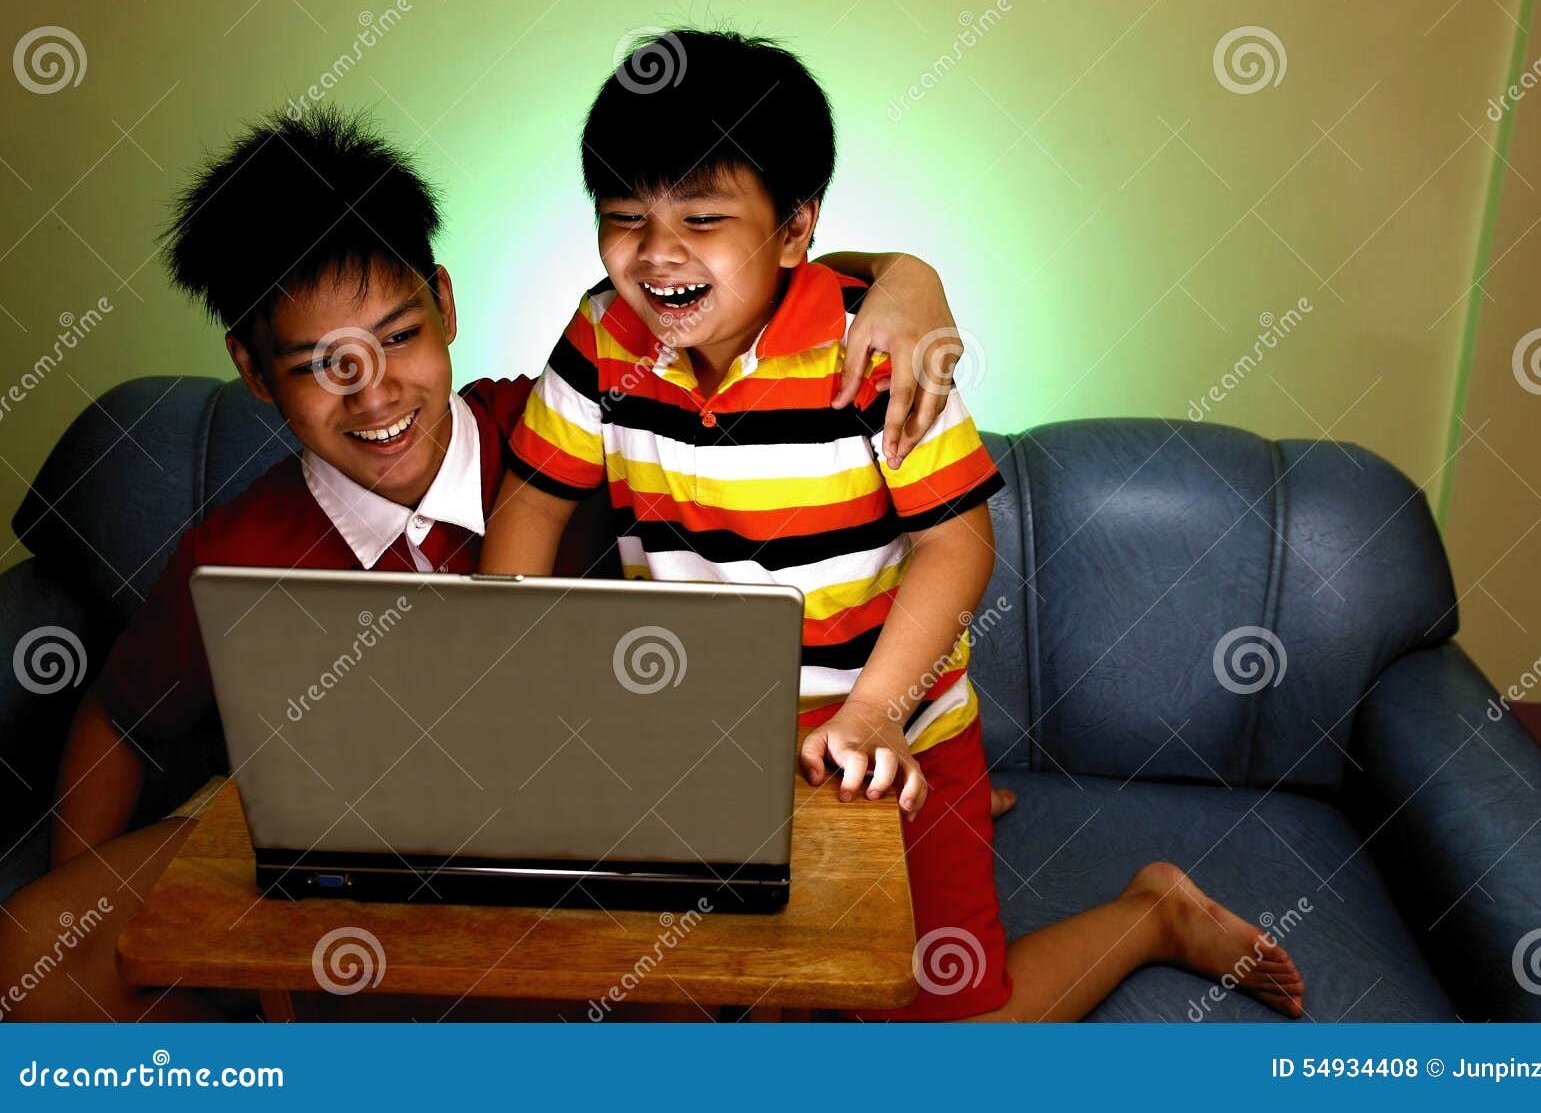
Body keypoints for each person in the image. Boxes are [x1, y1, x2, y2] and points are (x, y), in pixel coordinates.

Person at [0, 105, 980, 1021]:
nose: (374, 392)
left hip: (592, 851)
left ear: (445, 303)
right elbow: (118, 716)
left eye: (398, 337)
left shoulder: (581, 426)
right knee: (26, 948)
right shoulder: (236, 548)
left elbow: (742, 284)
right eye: (314, 364)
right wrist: (127, 956)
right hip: (340, 857)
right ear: (255, 371)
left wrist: (904, 274)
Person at [480, 29, 1306, 1021]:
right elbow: (532, 498)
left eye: (702, 218)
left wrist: (873, 709)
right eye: (623, 221)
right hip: (690, 748)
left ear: (793, 231)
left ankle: (1150, 911)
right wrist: (515, 671)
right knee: (662, 1003)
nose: (657, 255)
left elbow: (956, 541)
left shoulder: (875, 348)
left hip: (887, 734)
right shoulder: (599, 336)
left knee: (954, 1039)